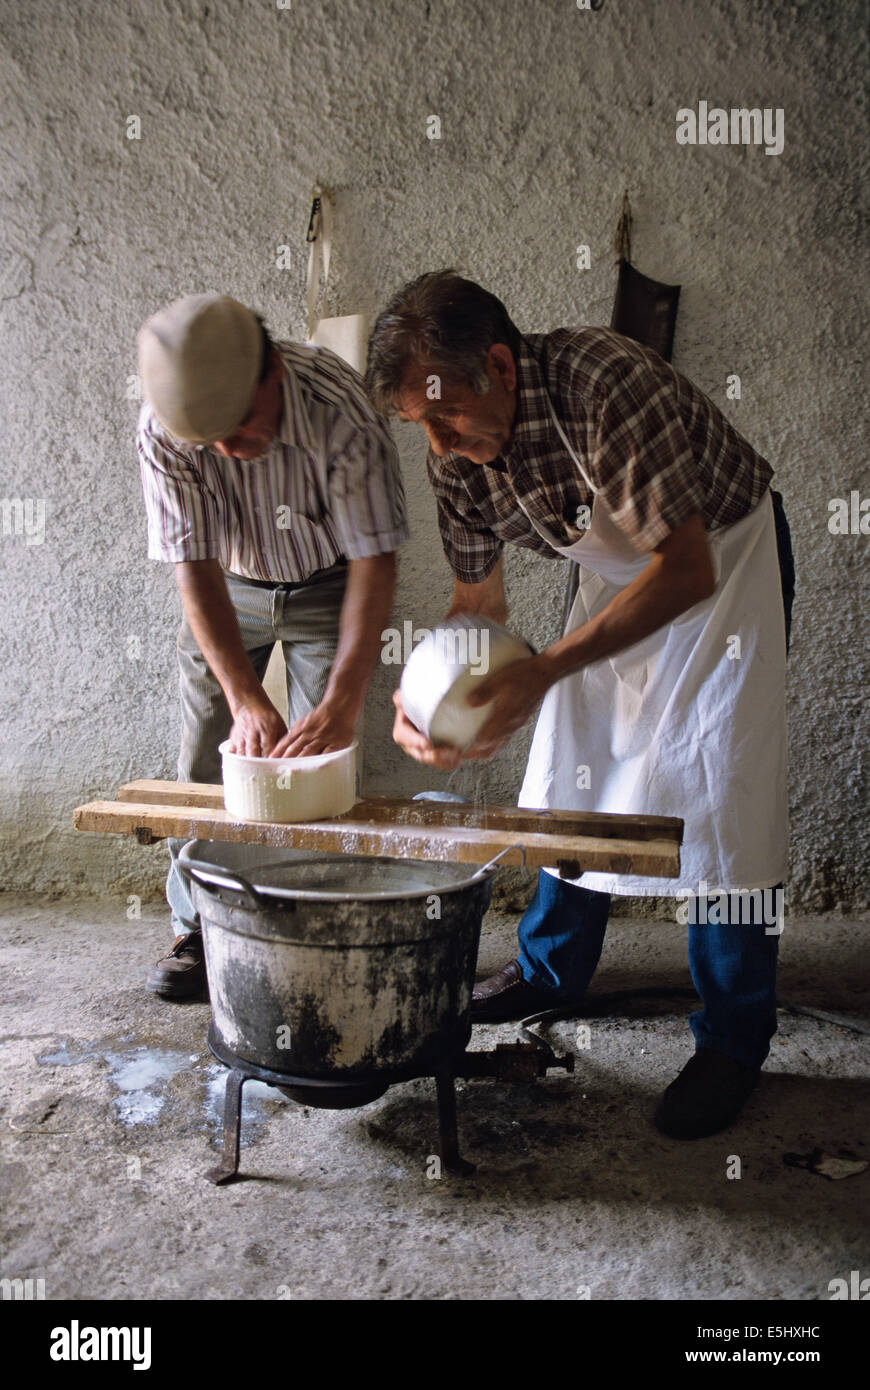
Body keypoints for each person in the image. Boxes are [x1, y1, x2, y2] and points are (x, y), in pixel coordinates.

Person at [365, 269, 794, 1139]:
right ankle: (551, 971)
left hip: (724, 557)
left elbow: (686, 569)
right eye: (422, 427)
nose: (439, 446)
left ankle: (734, 1038)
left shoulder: (604, 387)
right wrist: (436, 698)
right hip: (618, 576)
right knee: (572, 771)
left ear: (499, 365)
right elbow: (477, 606)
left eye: (443, 417)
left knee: (723, 798)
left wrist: (542, 669)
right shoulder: (458, 460)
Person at [137, 293, 408, 998]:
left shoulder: (340, 410)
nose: (229, 449)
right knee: (207, 753)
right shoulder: (166, 430)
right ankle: (197, 927)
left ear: (271, 372)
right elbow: (191, 566)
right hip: (227, 587)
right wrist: (245, 697)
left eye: (242, 426)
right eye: (212, 442)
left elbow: (375, 562)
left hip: (330, 584)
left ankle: (314, 917)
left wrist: (343, 701)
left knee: (325, 764)